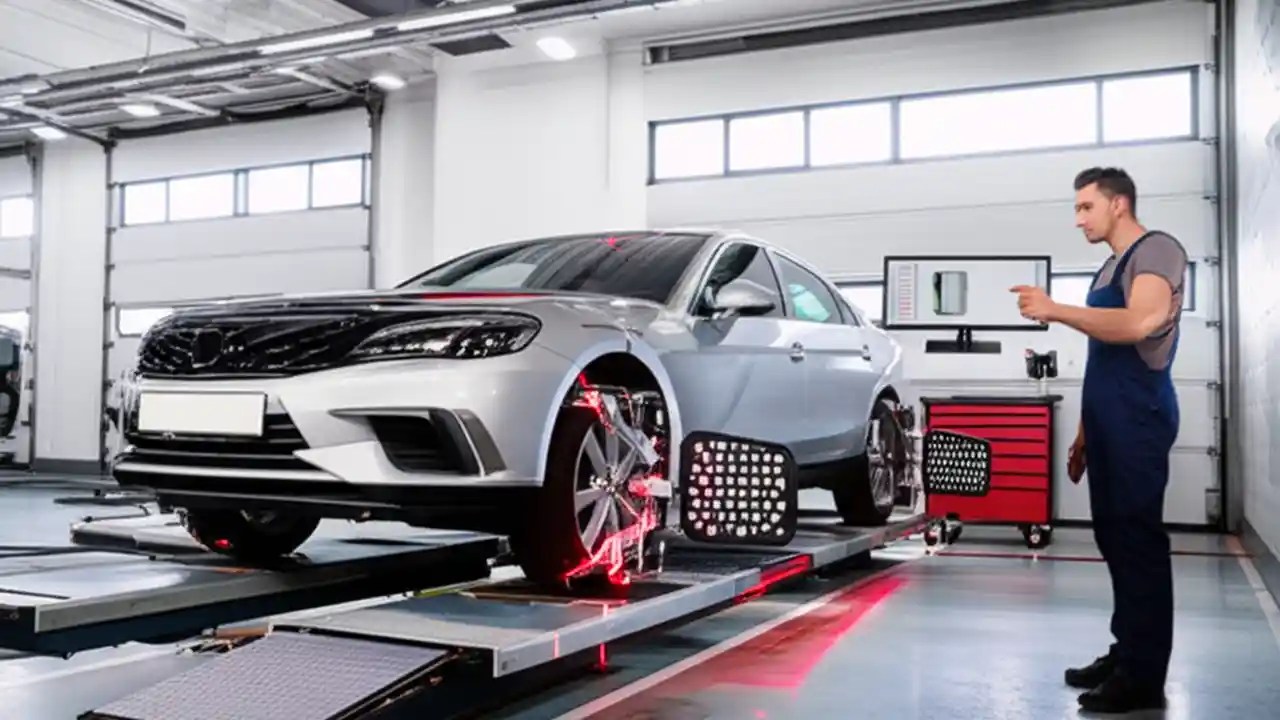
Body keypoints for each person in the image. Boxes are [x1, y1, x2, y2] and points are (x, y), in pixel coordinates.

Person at [1011, 166, 1185, 714]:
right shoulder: (1110, 266)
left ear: (1120, 204)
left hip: (1139, 414)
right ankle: (1127, 651)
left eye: (1087, 207)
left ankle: (1143, 677)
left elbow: (1138, 325)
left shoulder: (1157, 251)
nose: (1078, 218)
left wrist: (1055, 310)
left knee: (1138, 544)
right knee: (1115, 541)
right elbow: (1101, 356)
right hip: (1109, 420)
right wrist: (1086, 432)